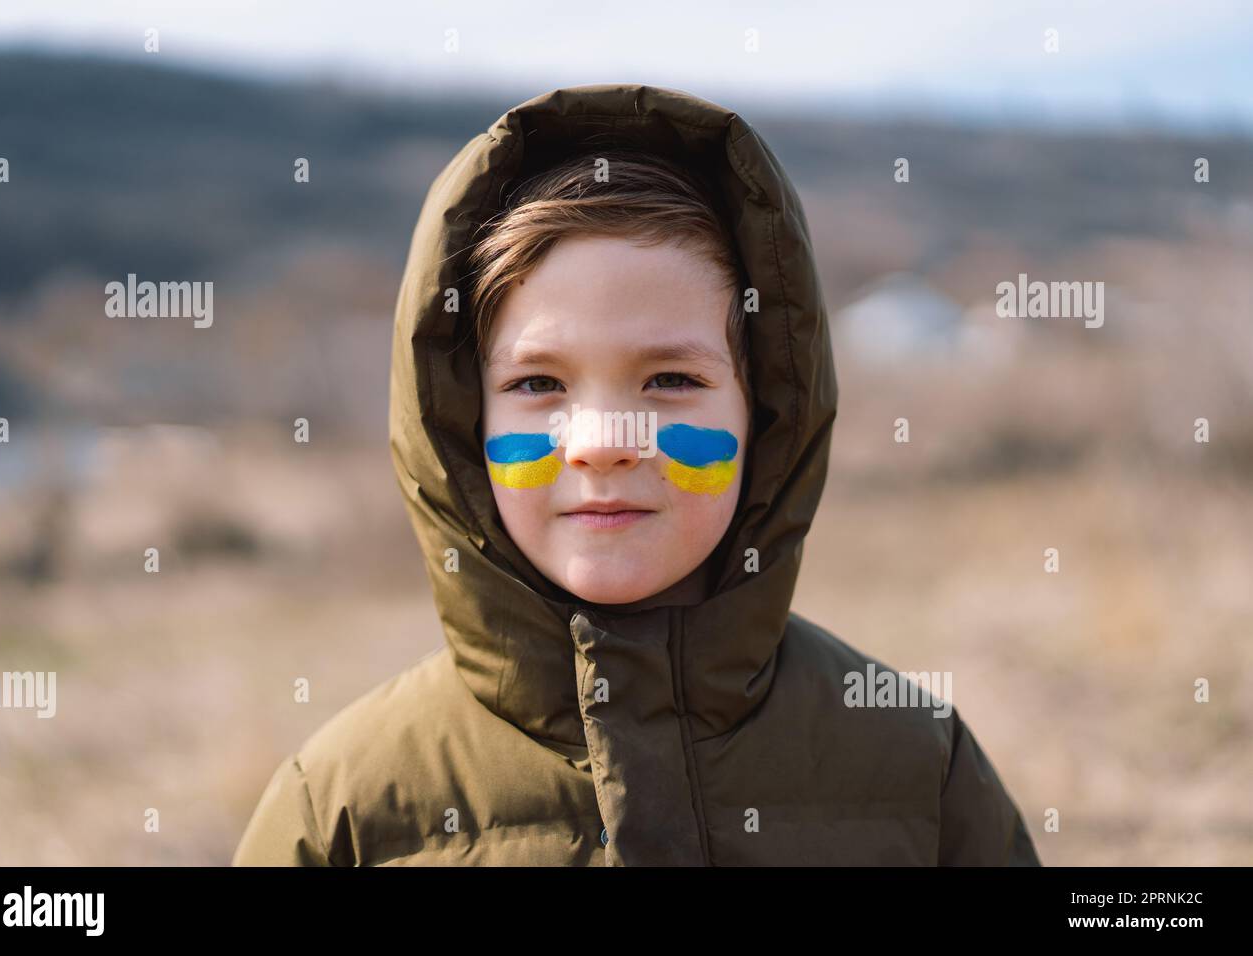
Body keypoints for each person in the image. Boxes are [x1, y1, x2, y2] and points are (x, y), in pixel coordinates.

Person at [232, 83, 1040, 866]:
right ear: (460, 426)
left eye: (670, 381)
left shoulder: (917, 764)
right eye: (537, 385)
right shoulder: (342, 810)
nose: (602, 443)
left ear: (765, 416)